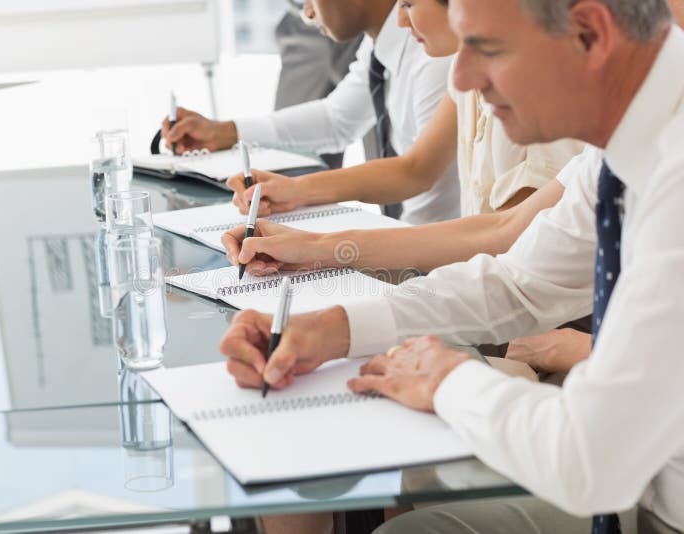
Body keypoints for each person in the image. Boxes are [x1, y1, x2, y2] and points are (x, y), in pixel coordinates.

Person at [219, 1, 684, 533]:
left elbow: (590, 461)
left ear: (589, 32)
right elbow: (516, 282)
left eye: (485, 47)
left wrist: (446, 379)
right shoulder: (623, 142)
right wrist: (332, 327)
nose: (460, 77)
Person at [222, 0, 588, 375]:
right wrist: (314, 250)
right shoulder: (590, 164)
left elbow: (509, 248)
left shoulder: (541, 100)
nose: (457, 77)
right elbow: (501, 237)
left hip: (537, 333)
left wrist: (321, 253)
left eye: (410, 2)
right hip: (495, 300)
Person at [162, 0, 461, 226]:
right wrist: (224, 132)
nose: (305, 13)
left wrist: (298, 192)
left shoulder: (435, 55)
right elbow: (337, 120)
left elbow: (419, 177)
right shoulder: (385, 43)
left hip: (441, 259)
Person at [273, 5, 364, 169]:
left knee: (389, 157)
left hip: (366, 22)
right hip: (304, 24)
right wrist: (231, 131)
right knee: (292, 160)